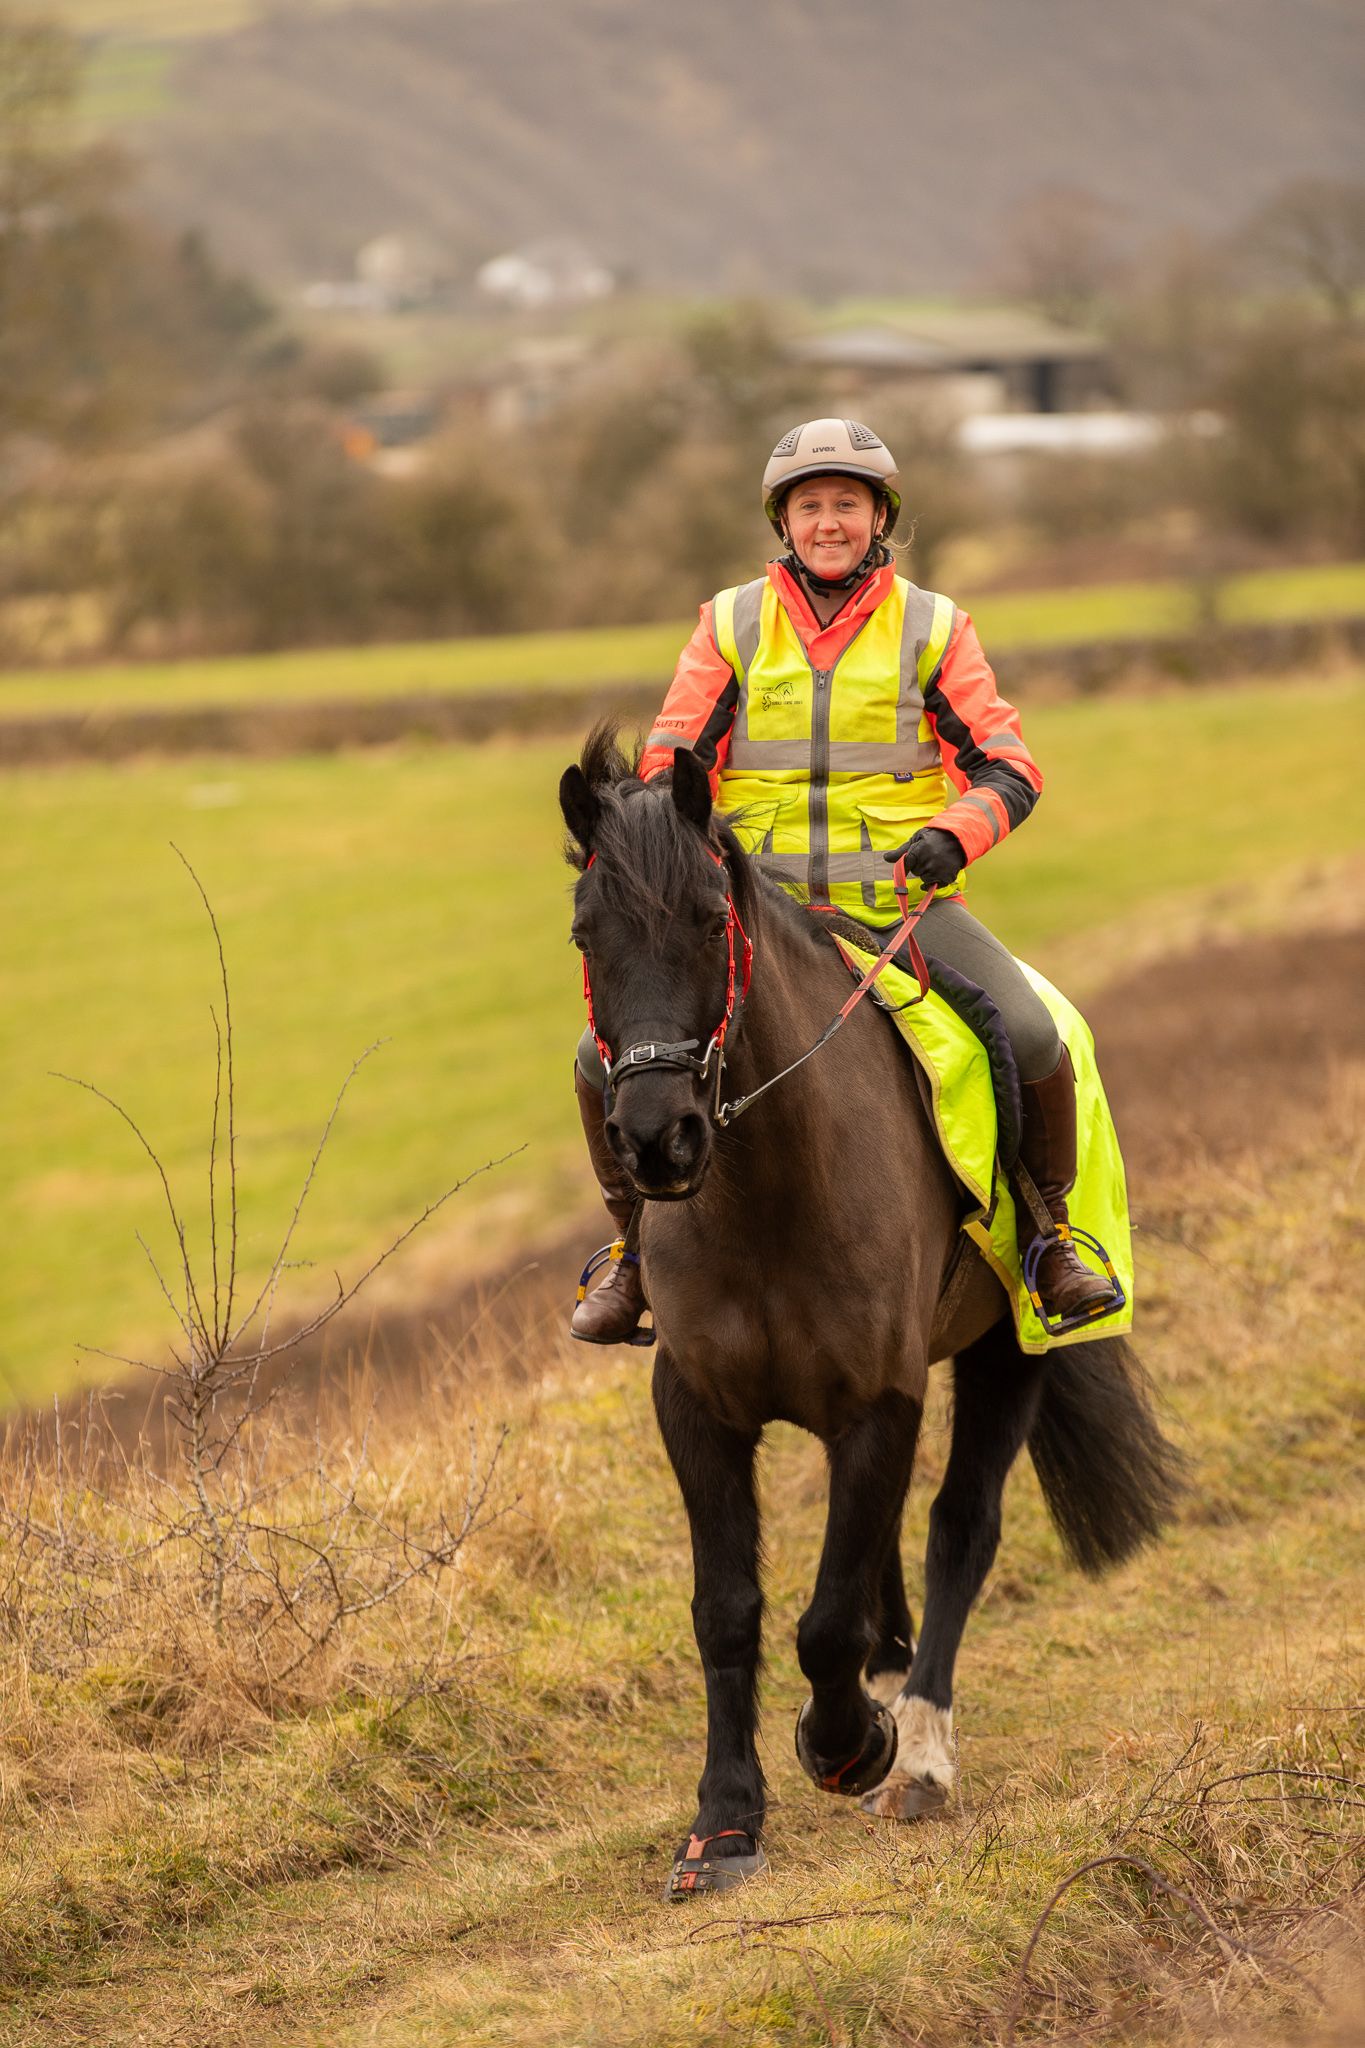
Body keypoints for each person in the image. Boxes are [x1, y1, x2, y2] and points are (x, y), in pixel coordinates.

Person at [571, 417, 1116, 1345]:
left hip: (895, 904)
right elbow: (670, 761)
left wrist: (955, 833)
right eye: (810, 505)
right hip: (754, 908)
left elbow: (1008, 766)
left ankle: (1049, 1240)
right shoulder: (730, 624)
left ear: (880, 518)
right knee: (597, 1058)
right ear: (784, 523)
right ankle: (630, 1254)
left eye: (847, 505)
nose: (829, 522)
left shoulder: (935, 627)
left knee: (1026, 1032)